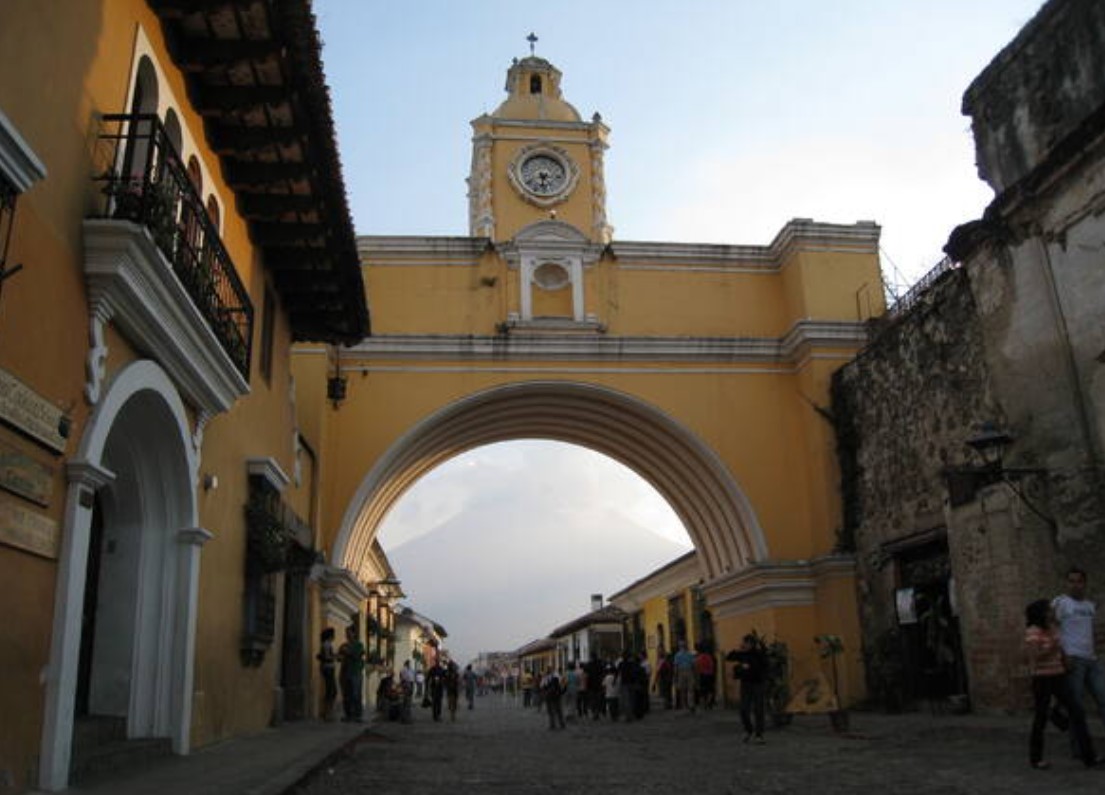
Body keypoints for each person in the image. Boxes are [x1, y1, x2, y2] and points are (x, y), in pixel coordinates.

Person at [1024, 598, 1099, 769]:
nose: (1052, 612)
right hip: (1042, 678)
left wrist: (1065, 660)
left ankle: (1089, 757)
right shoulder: (1033, 632)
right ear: (1041, 613)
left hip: (1058, 674)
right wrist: (1051, 646)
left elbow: (1060, 648)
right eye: (1049, 610)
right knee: (1040, 718)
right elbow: (1034, 656)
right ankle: (1036, 758)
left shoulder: (1053, 628)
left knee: (1077, 712)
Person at [1053, 568, 1105, 756]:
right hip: (1073, 659)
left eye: (1079, 581)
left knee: (1103, 699)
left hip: (1091, 659)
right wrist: (1062, 655)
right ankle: (1079, 748)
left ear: (1085, 583)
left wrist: (1097, 652)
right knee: (1076, 706)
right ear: (1066, 583)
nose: (1075, 585)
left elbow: (1091, 632)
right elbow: (1053, 629)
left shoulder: (1090, 606)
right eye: (1071, 581)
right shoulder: (1061, 603)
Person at [732, 634, 767, 744]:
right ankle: (749, 730)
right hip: (745, 684)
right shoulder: (743, 654)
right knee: (743, 709)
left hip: (757, 684)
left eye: (745, 643)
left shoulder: (759, 654)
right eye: (743, 643)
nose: (743, 645)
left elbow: (764, 666)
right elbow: (730, 656)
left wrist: (751, 667)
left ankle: (759, 734)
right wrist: (740, 650)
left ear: (751, 644)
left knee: (758, 709)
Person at [337, 625, 366, 722]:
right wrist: (340, 656)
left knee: (356, 694)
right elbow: (339, 657)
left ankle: (357, 715)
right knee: (346, 695)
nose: (347, 635)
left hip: (356, 672)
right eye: (346, 633)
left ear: (354, 633)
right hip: (345, 672)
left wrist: (348, 652)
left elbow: (358, 655)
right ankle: (348, 715)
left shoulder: (359, 645)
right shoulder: (343, 645)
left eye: (349, 632)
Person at [316, 628, 338, 721]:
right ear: (330, 636)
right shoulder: (326, 645)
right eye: (333, 635)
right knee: (331, 691)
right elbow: (326, 657)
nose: (334, 637)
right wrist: (335, 657)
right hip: (328, 668)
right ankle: (328, 713)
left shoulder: (326, 644)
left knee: (331, 690)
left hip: (327, 668)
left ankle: (328, 713)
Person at [672, 640, 697, 712]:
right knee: (690, 689)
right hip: (689, 671)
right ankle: (691, 704)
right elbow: (694, 665)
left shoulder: (677, 655)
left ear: (679, 647)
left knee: (683, 690)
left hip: (681, 671)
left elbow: (676, 667)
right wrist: (695, 674)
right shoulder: (690, 655)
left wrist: (675, 676)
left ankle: (685, 705)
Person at [695, 644, 717, 710]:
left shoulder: (699, 658)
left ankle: (703, 705)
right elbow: (711, 666)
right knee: (710, 690)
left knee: (702, 691)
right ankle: (708, 703)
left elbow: (697, 667)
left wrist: (697, 675)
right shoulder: (709, 657)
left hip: (701, 675)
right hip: (709, 675)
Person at [426, 657, 446, 722]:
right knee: (434, 702)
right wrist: (427, 687)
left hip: (440, 688)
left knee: (439, 702)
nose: (437, 663)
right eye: (436, 661)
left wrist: (443, 681)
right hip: (434, 687)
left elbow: (445, 677)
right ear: (435, 662)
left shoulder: (441, 669)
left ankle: (438, 715)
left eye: (438, 662)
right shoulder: (432, 669)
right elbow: (428, 678)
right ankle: (435, 715)